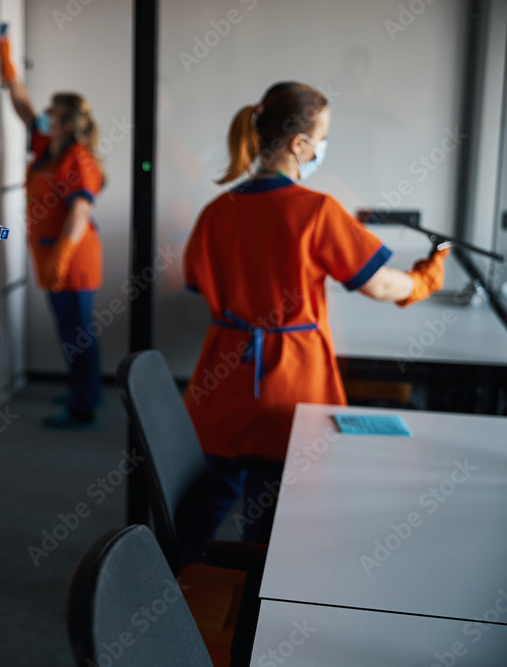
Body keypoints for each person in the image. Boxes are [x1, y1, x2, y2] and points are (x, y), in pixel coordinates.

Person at [181, 81, 447, 558]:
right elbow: (383, 285)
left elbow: (200, 285)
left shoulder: (216, 211)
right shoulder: (317, 211)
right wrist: (429, 276)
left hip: (220, 383)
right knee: (274, 511)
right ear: (299, 145)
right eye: (323, 136)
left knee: (209, 496)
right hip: (289, 383)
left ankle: (168, 584)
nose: (325, 148)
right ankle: (253, 607)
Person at [0, 30, 104, 429]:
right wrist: (8, 66)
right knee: (71, 329)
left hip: (72, 255)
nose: (45, 113)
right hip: (52, 251)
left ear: (66, 120)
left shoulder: (77, 157)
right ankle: (83, 388)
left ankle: (83, 404)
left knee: (78, 332)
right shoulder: (47, 146)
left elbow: (79, 210)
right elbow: (23, 107)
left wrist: (61, 254)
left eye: (53, 110)